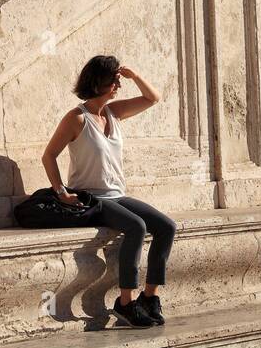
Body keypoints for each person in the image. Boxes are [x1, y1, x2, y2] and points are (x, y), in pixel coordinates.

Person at [41, 55, 176, 328]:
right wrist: (61, 192)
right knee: (136, 227)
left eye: (117, 80)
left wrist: (134, 75)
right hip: (92, 198)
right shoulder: (76, 118)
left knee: (167, 226)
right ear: (97, 81)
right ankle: (125, 304)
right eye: (113, 80)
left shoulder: (114, 112)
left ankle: (149, 298)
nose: (118, 85)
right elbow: (49, 156)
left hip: (117, 194)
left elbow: (153, 98)